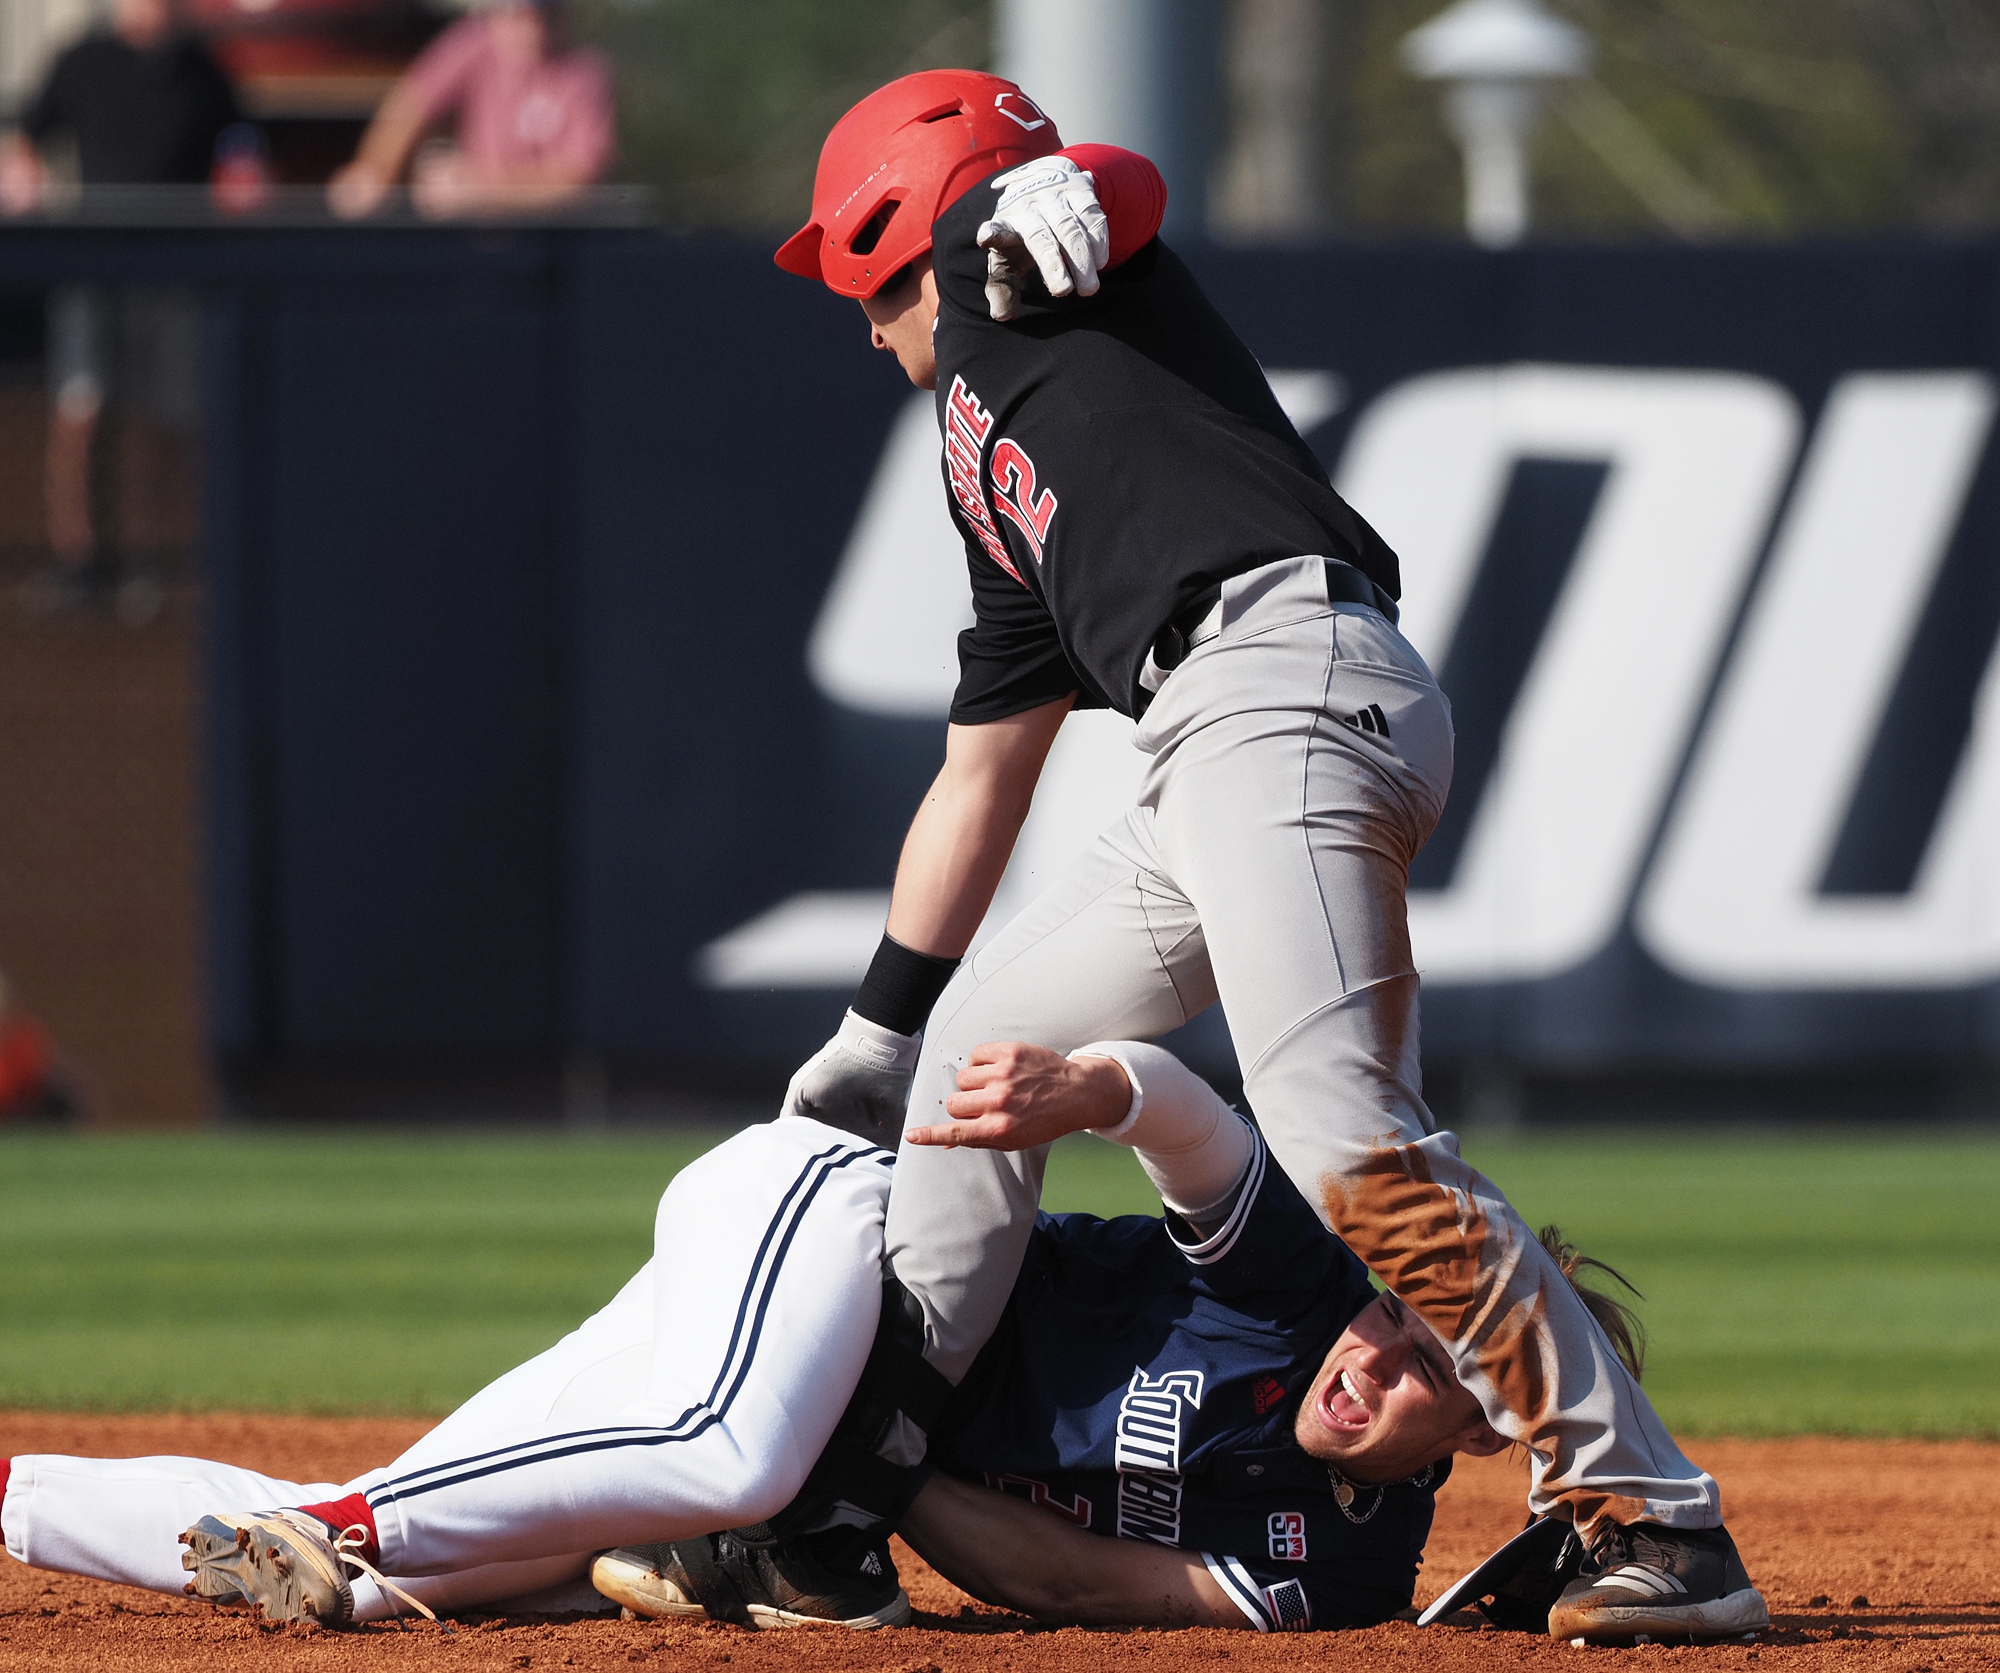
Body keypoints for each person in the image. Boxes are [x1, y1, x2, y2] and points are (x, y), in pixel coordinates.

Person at [768, 69, 1767, 1646]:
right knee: (981, 1049)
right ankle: (837, 1505)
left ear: (902, 220)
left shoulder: (1009, 280)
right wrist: (875, 1032)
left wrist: (1046, 198)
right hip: (1208, 738)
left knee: (1340, 1136)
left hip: (1285, 683)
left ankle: (1652, 1515)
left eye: (850, 265)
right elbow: (981, 777)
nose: (854, 310)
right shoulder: (996, 470)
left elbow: (1105, 195)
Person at [0, 1042, 1631, 1635]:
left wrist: (881, 1477)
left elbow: (1076, 1584)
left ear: (1495, 1434)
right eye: (1405, 1319)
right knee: (735, 1453)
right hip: (831, 1214)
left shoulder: (1344, 1571)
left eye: (1444, 1374)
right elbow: (1189, 1113)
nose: (1381, 1360)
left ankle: (23, 1495)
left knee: (396, 1577)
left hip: (788, 1372)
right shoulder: (1295, 1288)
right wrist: (1097, 1089)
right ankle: (672, 1523)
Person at [0, 0, 241, 617]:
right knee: (83, 410)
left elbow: (241, 149)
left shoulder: (203, 71)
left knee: (169, 417)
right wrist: (21, 171)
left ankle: (153, 561)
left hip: (175, 274)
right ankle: (81, 562)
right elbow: (26, 132)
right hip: (94, 264)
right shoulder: (83, 60)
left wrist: (245, 181)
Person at [326, 0, 613, 221]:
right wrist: (374, 171)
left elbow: (577, 179)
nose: (527, 29)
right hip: (474, 239)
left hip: (549, 247)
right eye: (513, 16)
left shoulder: (584, 73)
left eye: (538, 17)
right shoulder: (475, 43)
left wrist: (481, 190)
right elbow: (411, 104)